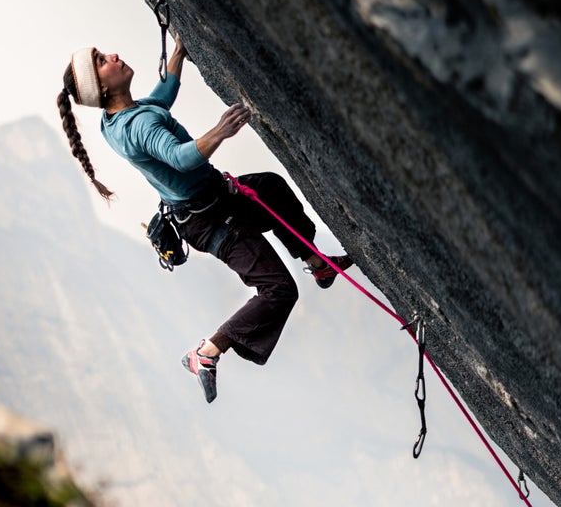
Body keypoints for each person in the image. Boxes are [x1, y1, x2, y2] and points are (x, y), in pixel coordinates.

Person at [57, 34, 352, 403]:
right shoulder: (135, 127)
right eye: (102, 59)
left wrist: (178, 55)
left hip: (213, 203)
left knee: (271, 189)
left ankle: (317, 263)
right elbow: (179, 157)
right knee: (279, 289)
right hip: (212, 223)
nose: (113, 54)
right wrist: (220, 131)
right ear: (101, 87)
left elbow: (159, 101)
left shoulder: (115, 120)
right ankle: (207, 352)